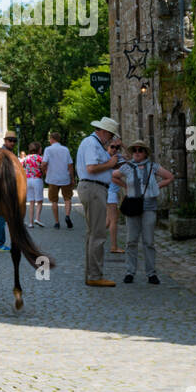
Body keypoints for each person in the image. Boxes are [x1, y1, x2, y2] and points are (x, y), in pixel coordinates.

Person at [112, 139, 173, 284]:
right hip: (133, 207)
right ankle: (130, 272)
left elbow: (170, 177)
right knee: (131, 241)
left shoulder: (153, 166)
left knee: (149, 241)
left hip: (149, 207)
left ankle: (151, 273)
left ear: (145, 153)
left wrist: (156, 186)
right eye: (135, 150)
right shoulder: (127, 167)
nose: (137, 153)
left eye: (140, 150)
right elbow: (113, 176)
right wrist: (126, 186)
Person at [75, 116, 122, 287]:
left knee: (92, 233)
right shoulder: (92, 143)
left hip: (93, 188)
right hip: (94, 188)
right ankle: (95, 275)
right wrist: (110, 163)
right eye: (110, 136)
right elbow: (91, 168)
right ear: (104, 132)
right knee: (98, 233)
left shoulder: (92, 144)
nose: (110, 139)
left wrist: (110, 163)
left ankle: (92, 273)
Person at [42, 131, 75, 228]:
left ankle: (57, 222)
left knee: (54, 201)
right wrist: (72, 178)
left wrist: (44, 171)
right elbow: (70, 165)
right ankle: (67, 216)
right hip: (65, 177)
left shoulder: (48, 149)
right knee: (67, 198)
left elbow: (44, 163)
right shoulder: (65, 149)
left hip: (52, 178)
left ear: (52, 139)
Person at [0, 130, 19, 251]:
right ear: (5, 141)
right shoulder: (3, 153)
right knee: (3, 218)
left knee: (6, 218)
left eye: (14, 141)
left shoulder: (8, 152)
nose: (12, 143)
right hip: (4, 190)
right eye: (10, 140)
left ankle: (5, 242)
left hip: (8, 190)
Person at [105, 135, 126, 254]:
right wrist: (126, 186)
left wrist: (122, 144)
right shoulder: (106, 158)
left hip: (111, 193)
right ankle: (114, 246)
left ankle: (95, 238)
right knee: (114, 220)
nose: (114, 149)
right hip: (110, 193)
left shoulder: (118, 157)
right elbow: (113, 178)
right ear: (107, 147)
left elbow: (130, 157)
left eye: (116, 147)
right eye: (112, 147)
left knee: (108, 221)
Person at [21, 141, 46, 228]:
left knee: (31, 202)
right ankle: (37, 218)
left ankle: (30, 222)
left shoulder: (26, 158)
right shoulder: (40, 158)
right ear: (38, 149)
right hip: (37, 179)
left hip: (28, 180)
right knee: (39, 201)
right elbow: (43, 168)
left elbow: (22, 167)